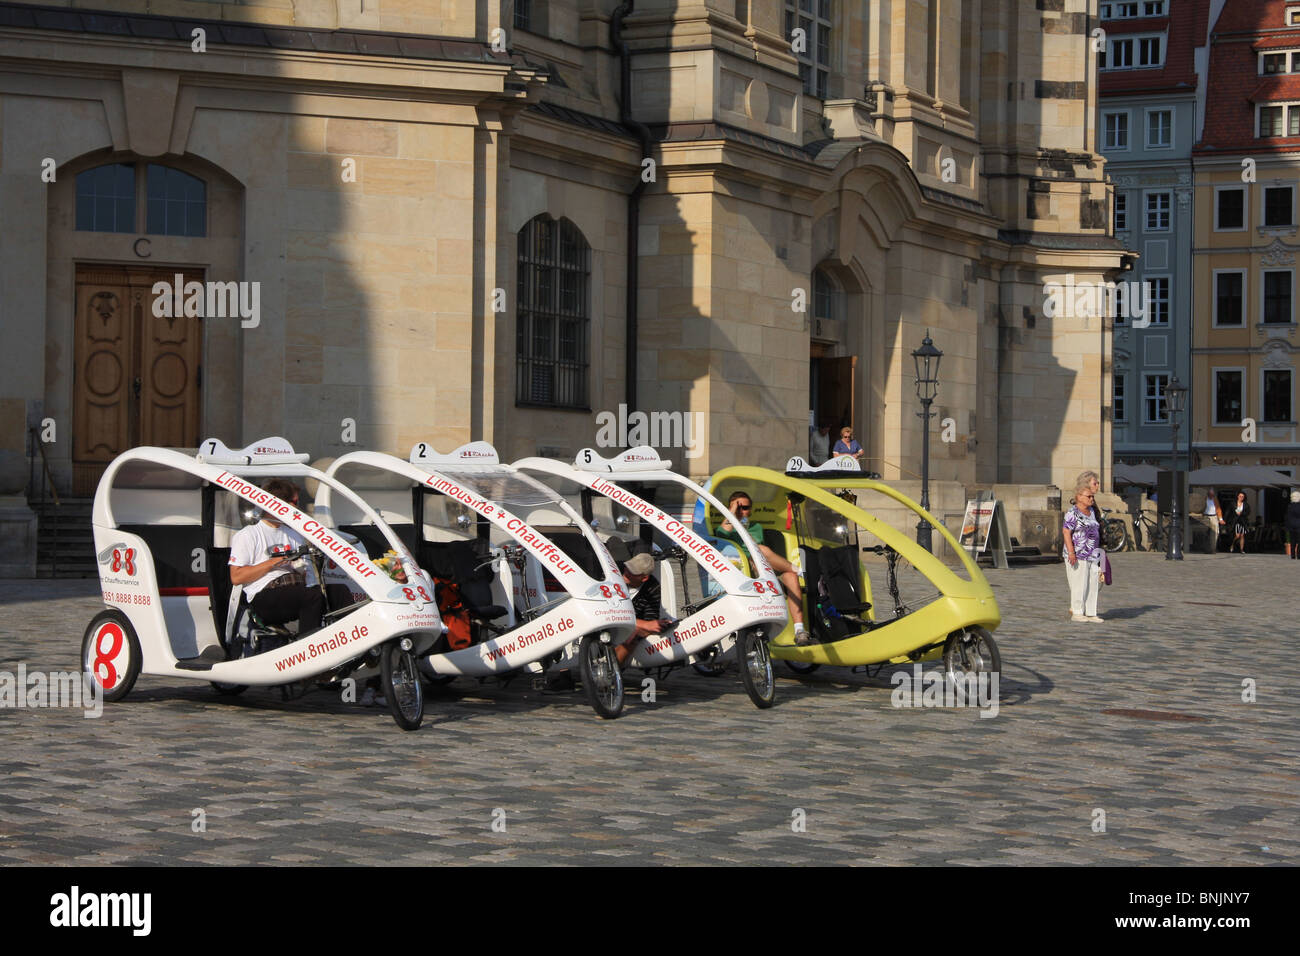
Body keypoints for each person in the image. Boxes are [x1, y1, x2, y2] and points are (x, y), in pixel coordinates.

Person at [229, 478, 327, 638]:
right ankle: (307, 647)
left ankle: (357, 647)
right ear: (278, 504)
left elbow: (309, 577)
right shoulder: (249, 534)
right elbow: (236, 577)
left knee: (339, 592)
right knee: (312, 596)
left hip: (295, 588)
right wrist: (274, 562)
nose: (296, 507)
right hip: (264, 595)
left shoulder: (294, 535)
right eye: (294, 502)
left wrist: (300, 569)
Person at [717, 491, 811, 645]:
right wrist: (732, 513)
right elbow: (722, 534)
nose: (742, 511)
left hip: (763, 565)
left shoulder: (756, 527)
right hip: (745, 567)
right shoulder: (726, 526)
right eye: (738, 507)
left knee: (789, 576)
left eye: (745, 507)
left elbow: (755, 547)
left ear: (751, 509)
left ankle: (799, 630)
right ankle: (801, 571)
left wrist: (742, 524)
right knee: (762, 549)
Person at [615, 552, 676, 666]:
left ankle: (610, 671)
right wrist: (643, 625)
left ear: (644, 578)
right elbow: (606, 611)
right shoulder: (614, 575)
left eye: (632, 572)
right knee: (637, 630)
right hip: (607, 619)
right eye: (627, 567)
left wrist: (642, 627)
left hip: (629, 627)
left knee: (634, 635)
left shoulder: (652, 587)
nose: (626, 572)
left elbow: (650, 619)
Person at [1063, 477, 1104, 623]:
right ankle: (1077, 611)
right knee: (1079, 583)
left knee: (1093, 583)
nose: (1091, 499)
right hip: (1078, 553)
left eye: (1092, 496)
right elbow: (1066, 532)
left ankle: (1091, 612)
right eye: (1089, 496)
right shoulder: (1072, 513)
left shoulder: (1092, 511)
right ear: (1078, 497)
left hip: (1093, 553)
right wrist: (1071, 552)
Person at [1203, 487, 1220, 552]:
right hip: (1206, 516)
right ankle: (1206, 548)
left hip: (1214, 517)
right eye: (1210, 494)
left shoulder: (1215, 500)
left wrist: (1220, 519)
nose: (1211, 496)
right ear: (1208, 494)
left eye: (1212, 495)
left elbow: (1218, 509)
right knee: (1205, 533)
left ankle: (1213, 548)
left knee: (1215, 532)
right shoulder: (1204, 499)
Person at [1286, 490, 1300, 559]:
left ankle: (1292, 555)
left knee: (1293, 541)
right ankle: (1299, 554)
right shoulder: (1299, 506)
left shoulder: (1289, 506)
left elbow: (1287, 517)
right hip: (1298, 526)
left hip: (1291, 526)